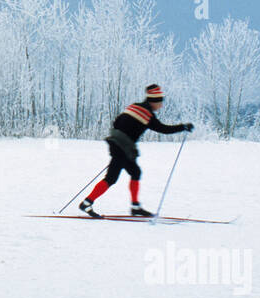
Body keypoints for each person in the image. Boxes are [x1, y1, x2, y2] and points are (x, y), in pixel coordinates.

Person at [79, 84, 193, 218]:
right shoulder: (147, 115)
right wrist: (183, 127)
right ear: (154, 101)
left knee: (135, 172)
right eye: (160, 102)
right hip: (122, 148)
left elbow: (117, 121)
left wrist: (122, 136)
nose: (161, 105)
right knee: (111, 178)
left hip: (118, 145)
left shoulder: (133, 107)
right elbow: (163, 129)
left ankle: (135, 207)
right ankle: (86, 203)